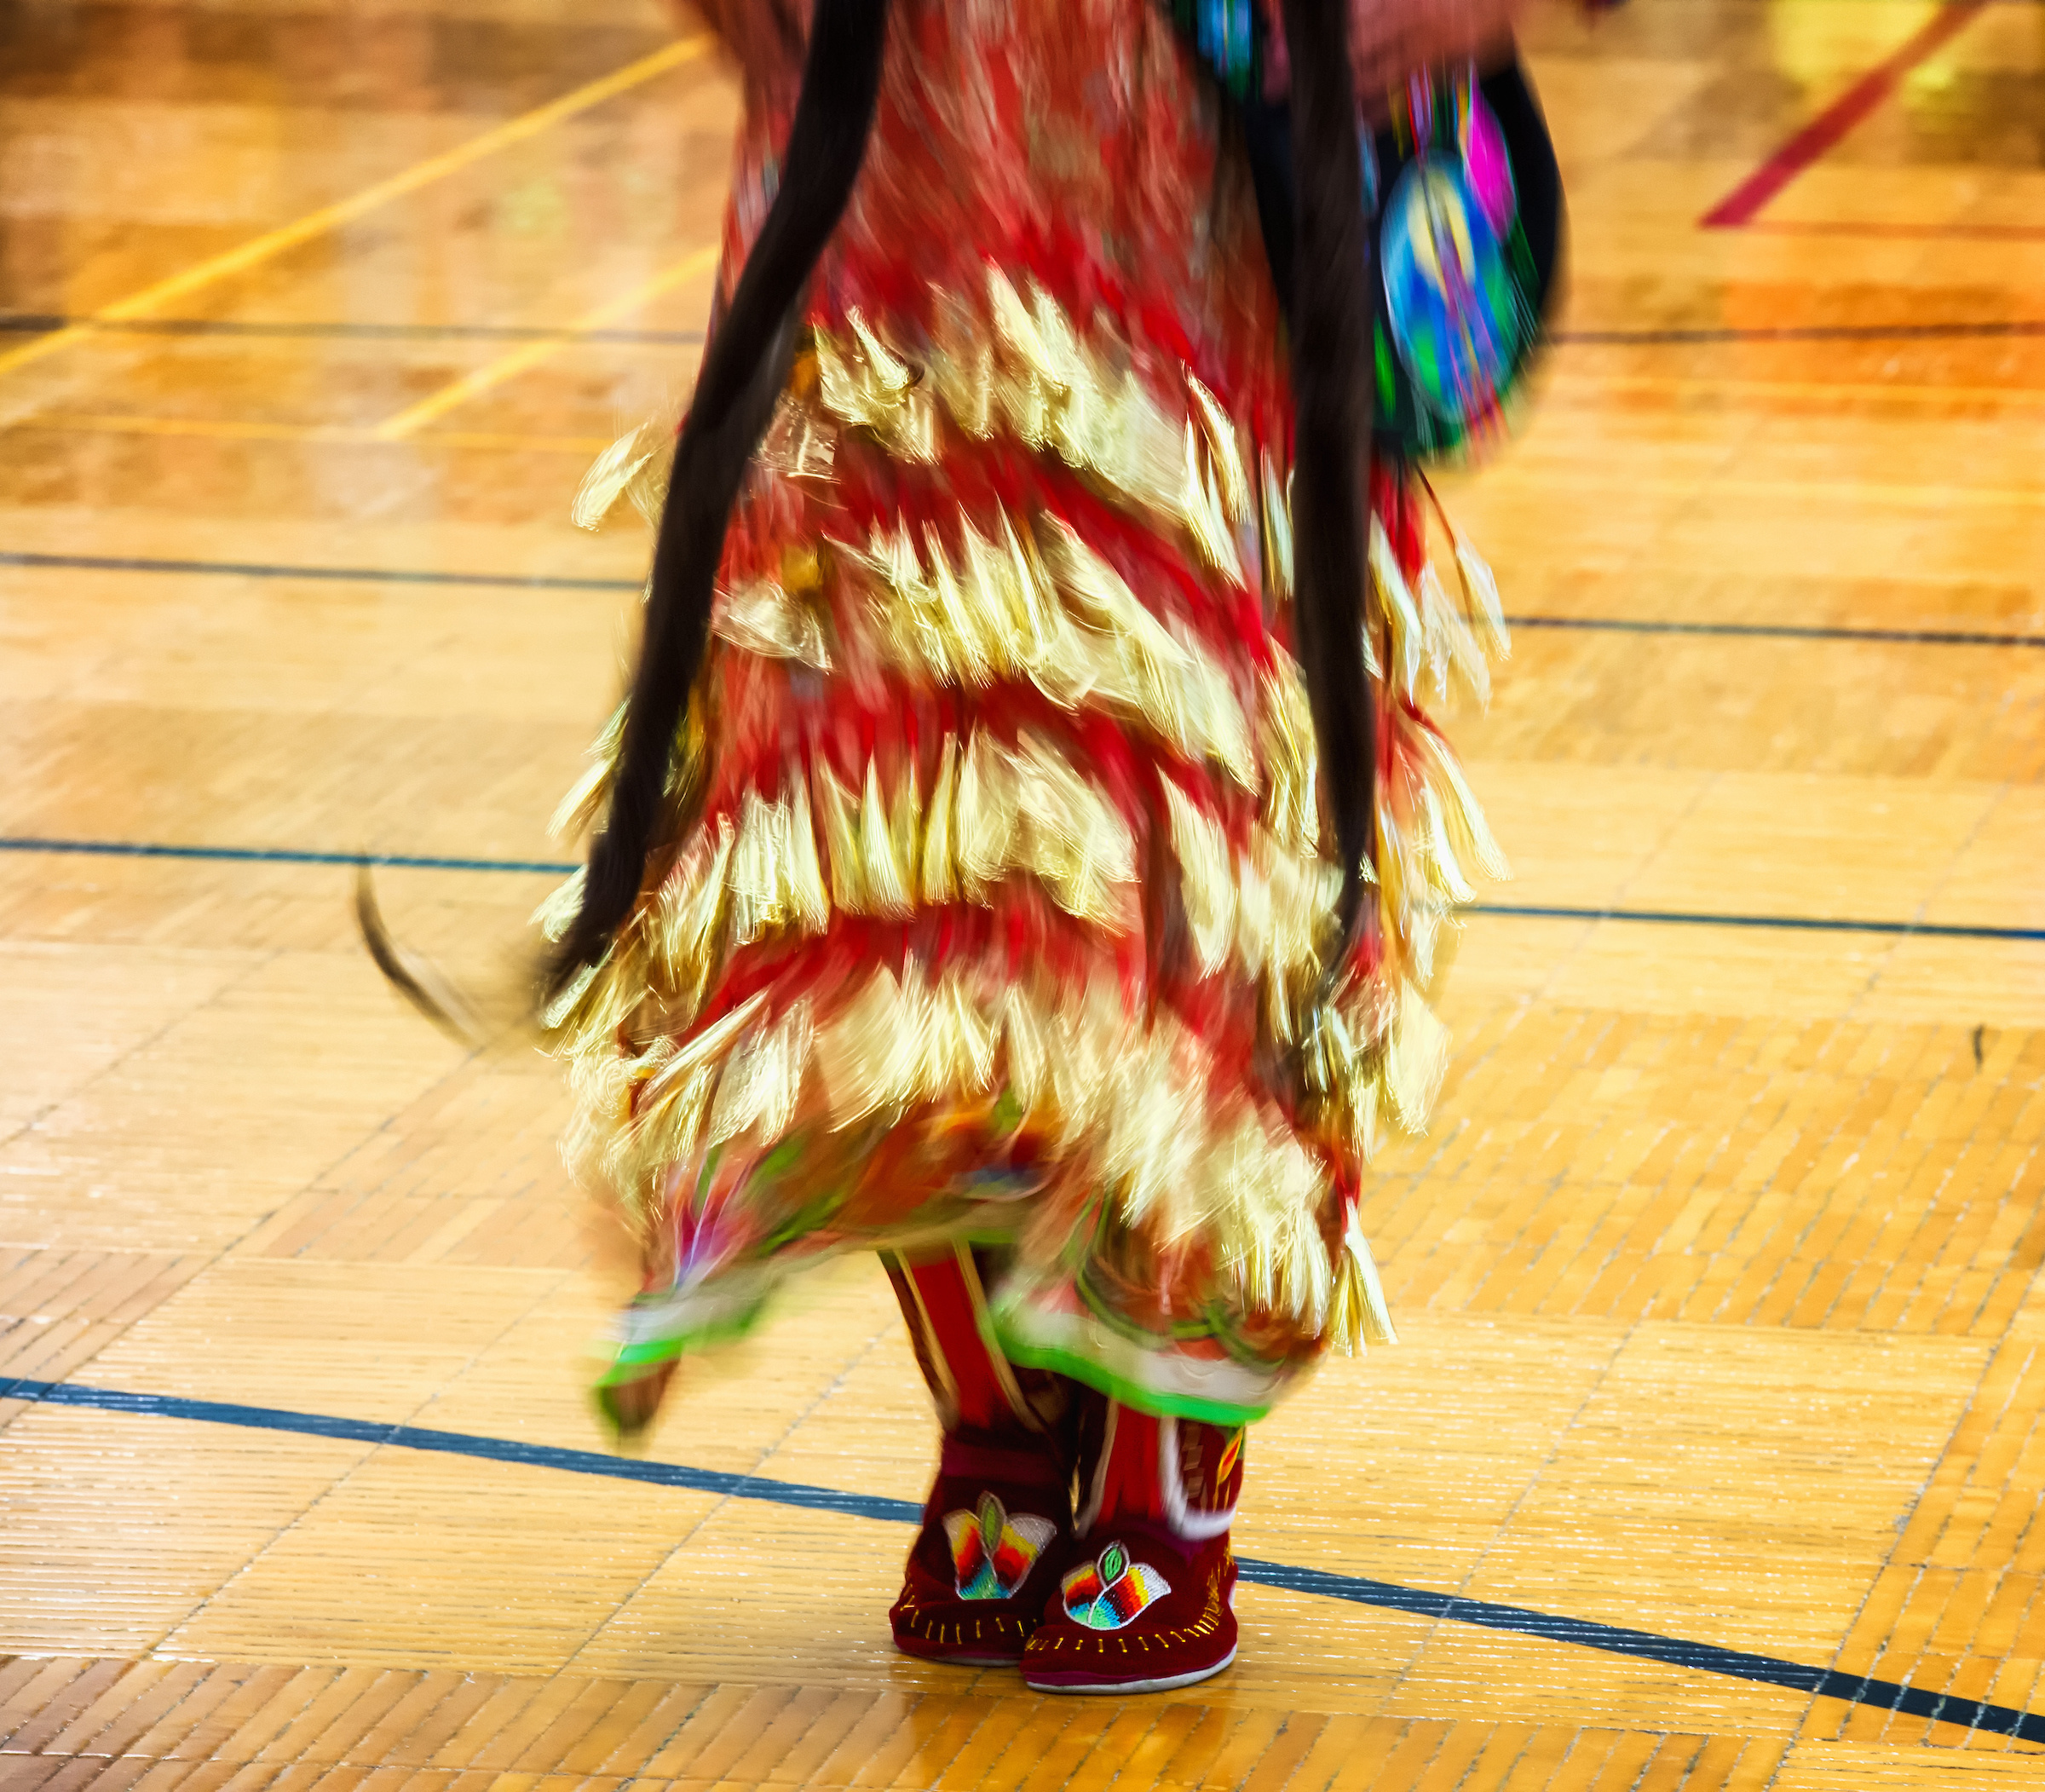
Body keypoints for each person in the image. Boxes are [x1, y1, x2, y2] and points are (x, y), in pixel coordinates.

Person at [530, 0, 1535, 1695]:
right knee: (883, 749)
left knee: (1170, 754)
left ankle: (1164, 1428)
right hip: (902, 122)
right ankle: (994, 1401)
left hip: (1206, 133)